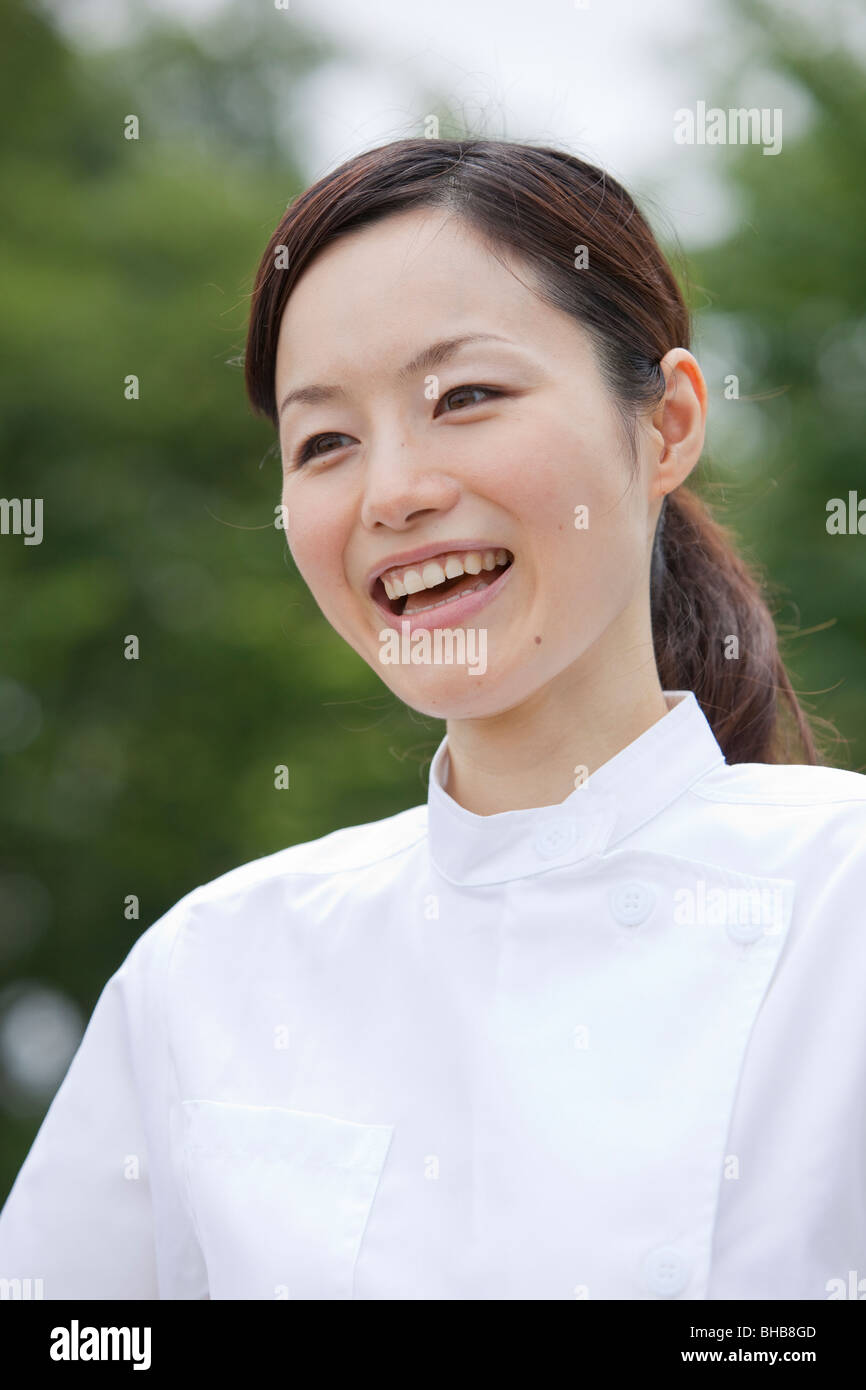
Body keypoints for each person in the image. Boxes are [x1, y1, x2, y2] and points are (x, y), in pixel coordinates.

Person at [1, 137, 864, 1302]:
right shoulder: (210, 973)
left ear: (664, 424)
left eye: (464, 396)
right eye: (325, 442)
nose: (393, 490)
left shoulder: (839, 905)